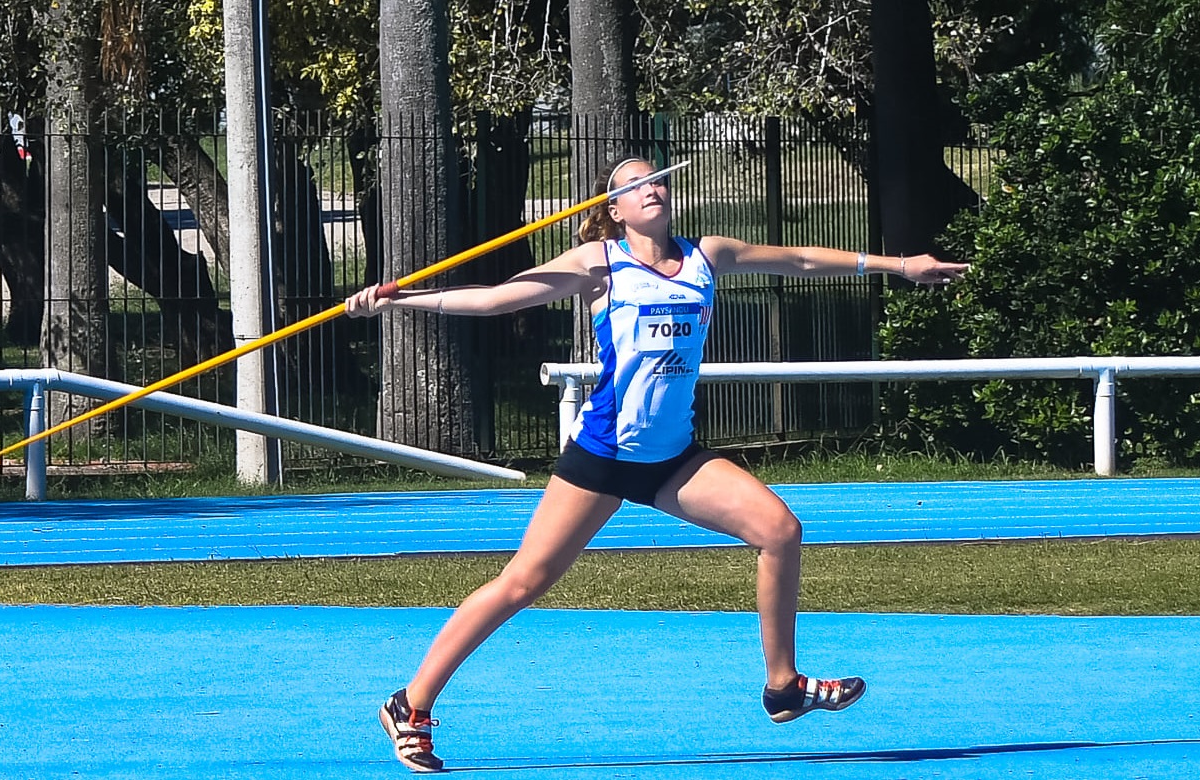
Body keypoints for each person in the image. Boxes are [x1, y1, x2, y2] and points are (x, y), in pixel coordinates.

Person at [346, 157, 969, 773]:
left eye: (657, 180)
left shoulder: (707, 255)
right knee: (522, 584)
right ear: (614, 209)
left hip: (672, 458)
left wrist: (898, 265)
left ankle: (783, 687)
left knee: (779, 530)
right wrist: (400, 302)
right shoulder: (598, 264)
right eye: (634, 185)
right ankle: (411, 703)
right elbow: (496, 300)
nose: (653, 189)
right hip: (603, 455)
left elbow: (800, 260)